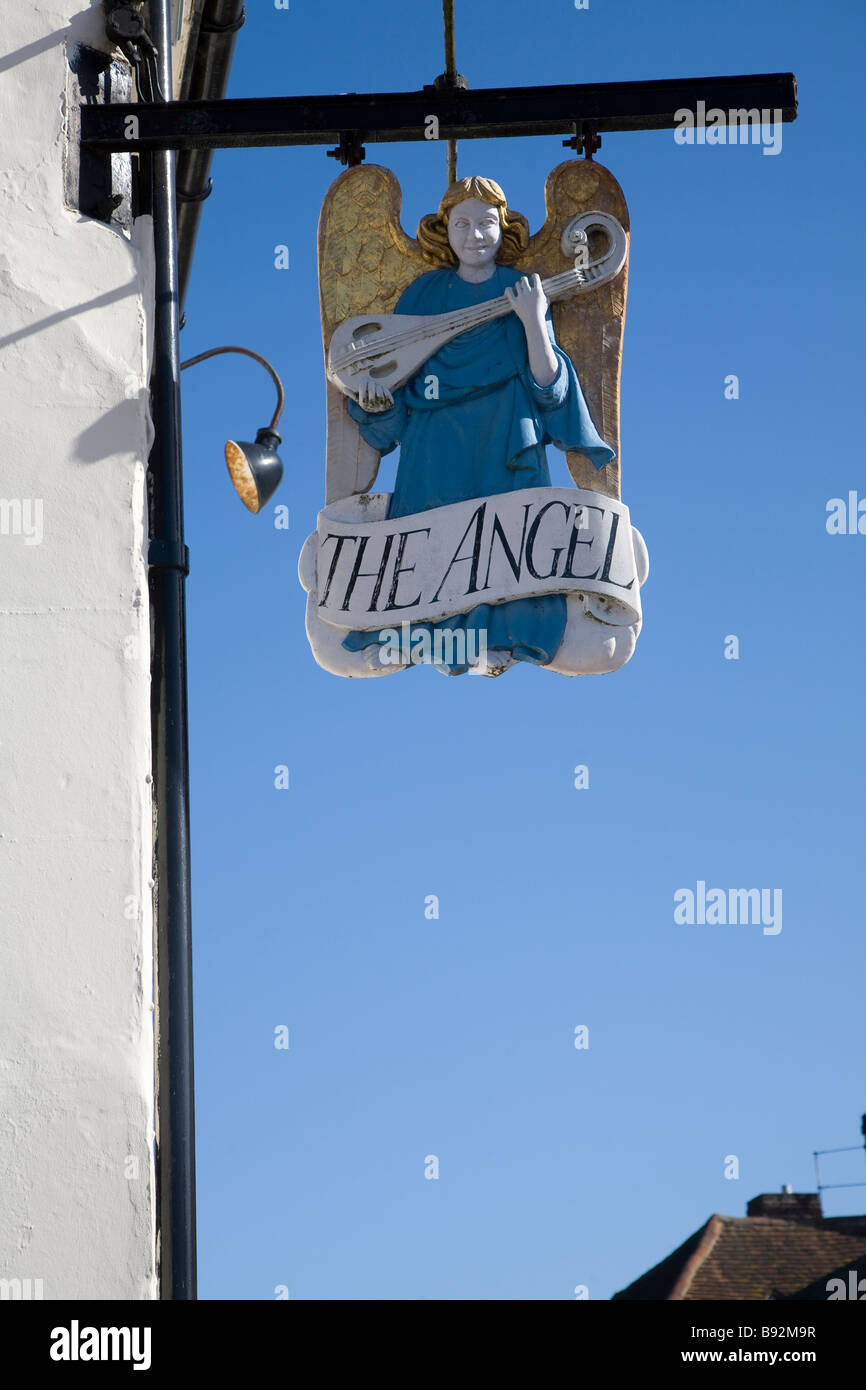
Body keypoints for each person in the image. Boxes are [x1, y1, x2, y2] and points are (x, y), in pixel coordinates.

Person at [341, 176, 615, 675]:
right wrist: (378, 403)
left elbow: (549, 385)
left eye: (486, 223)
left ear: (503, 228)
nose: (474, 236)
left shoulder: (521, 288)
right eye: (462, 224)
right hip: (435, 439)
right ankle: (425, 638)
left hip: (506, 430)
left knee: (506, 543)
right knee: (433, 540)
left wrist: (534, 319)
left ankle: (500, 639)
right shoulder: (424, 294)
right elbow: (396, 379)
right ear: (444, 230)